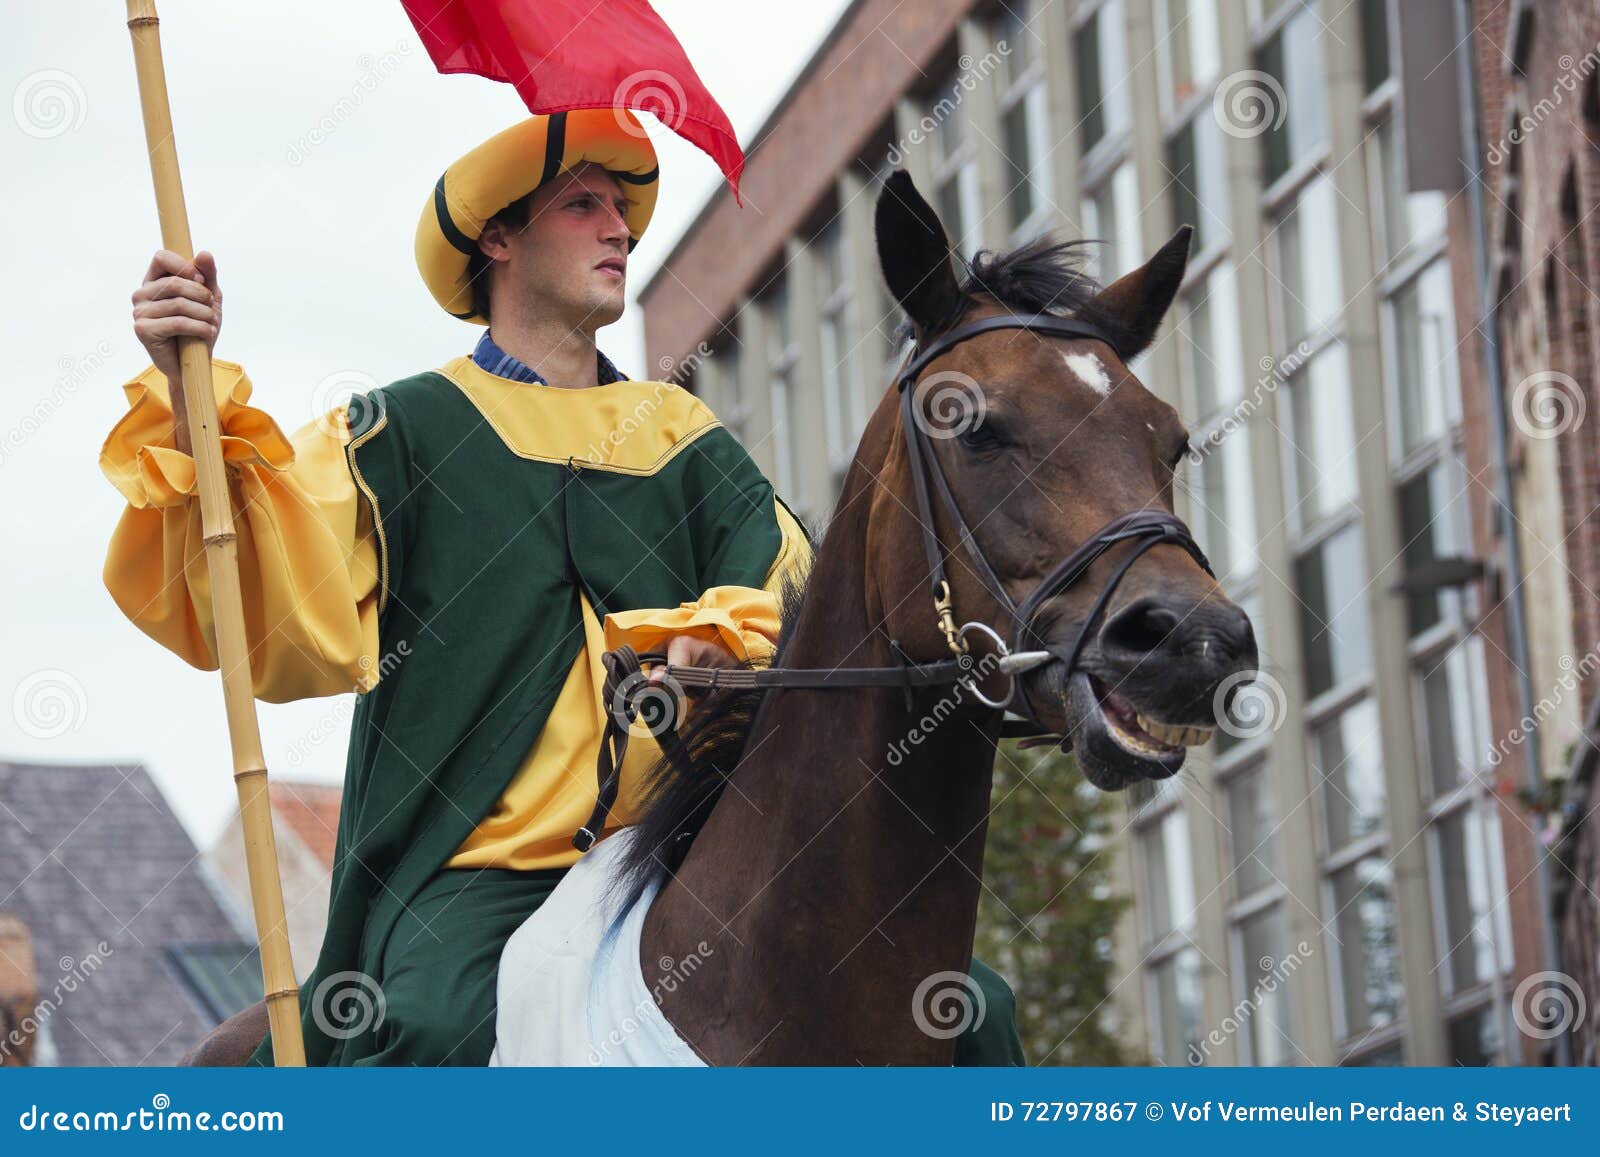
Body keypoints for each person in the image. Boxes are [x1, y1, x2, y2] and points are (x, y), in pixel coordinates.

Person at [100, 109, 1022, 1066]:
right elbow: (267, 576)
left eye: (622, 211)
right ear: (498, 237)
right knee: (430, 1032)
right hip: (483, 869)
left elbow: (797, 589)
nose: (620, 227)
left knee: (967, 1009)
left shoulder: (681, 433)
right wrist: (186, 396)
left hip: (681, 850)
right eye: (584, 205)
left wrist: (726, 641)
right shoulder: (402, 429)